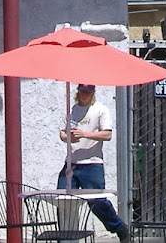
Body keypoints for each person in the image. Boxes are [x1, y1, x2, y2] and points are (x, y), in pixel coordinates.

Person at [57, 84, 131, 243]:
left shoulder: (100, 110)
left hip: (92, 164)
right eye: (81, 92)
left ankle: (119, 228)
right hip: (71, 163)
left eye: (87, 92)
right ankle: (65, 237)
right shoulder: (72, 110)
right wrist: (67, 137)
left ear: (93, 93)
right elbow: (62, 134)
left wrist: (85, 134)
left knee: (96, 201)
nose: (84, 95)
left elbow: (107, 134)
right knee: (62, 199)